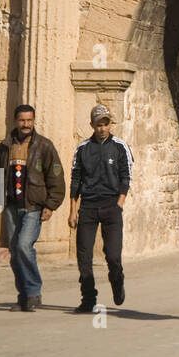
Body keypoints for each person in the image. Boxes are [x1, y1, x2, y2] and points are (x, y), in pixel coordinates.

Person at [0, 105, 66, 311]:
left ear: (34, 121)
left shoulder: (44, 146)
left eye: (29, 120)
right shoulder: (5, 147)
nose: (26, 125)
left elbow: (56, 177)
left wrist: (51, 205)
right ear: (15, 121)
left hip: (33, 207)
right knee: (15, 251)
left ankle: (33, 292)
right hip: (11, 206)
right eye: (22, 121)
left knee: (23, 246)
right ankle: (24, 296)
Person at [67, 104, 132, 313]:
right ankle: (88, 298)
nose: (102, 128)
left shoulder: (120, 146)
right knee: (83, 255)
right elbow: (75, 179)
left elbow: (126, 175)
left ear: (110, 124)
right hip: (88, 206)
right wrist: (72, 210)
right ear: (92, 125)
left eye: (106, 124)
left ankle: (117, 280)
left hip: (111, 205)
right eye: (98, 124)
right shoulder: (83, 148)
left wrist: (120, 203)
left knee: (113, 255)